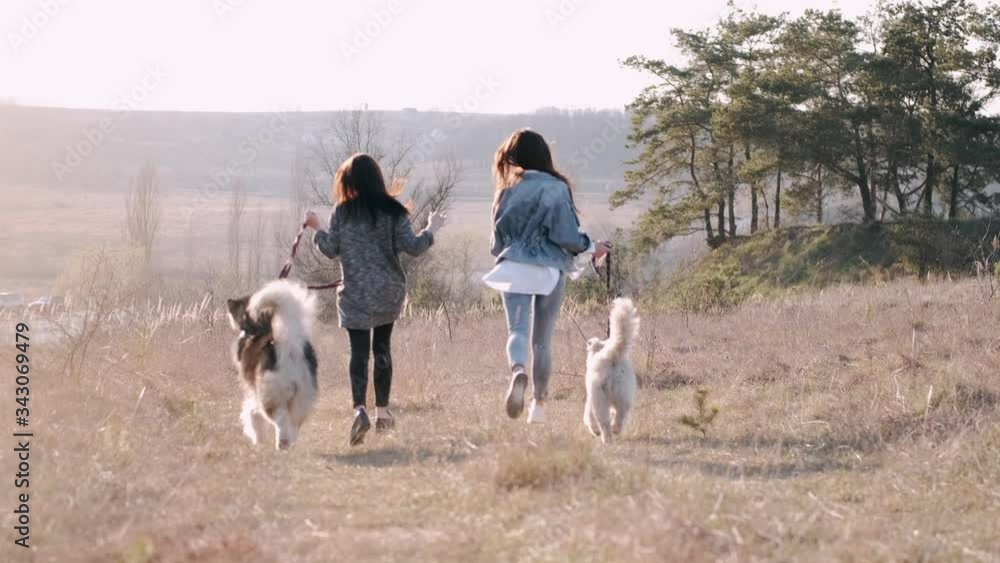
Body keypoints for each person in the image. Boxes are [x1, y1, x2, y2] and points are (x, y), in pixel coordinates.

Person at [306, 153, 447, 446]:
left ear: (348, 181)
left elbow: (331, 249)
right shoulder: (393, 211)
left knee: (359, 353)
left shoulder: (343, 212)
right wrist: (432, 228)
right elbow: (415, 247)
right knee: (382, 348)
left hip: (355, 294)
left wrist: (317, 230)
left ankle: (359, 409)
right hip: (388, 292)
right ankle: (383, 412)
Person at [484, 129, 610, 424]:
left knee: (517, 330)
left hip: (514, 266)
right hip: (548, 270)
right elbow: (565, 235)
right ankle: (537, 407)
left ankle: (517, 371)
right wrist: (591, 246)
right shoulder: (556, 188)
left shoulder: (506, 190)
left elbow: (496, 245)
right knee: (542, 340)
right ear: (544, 154)